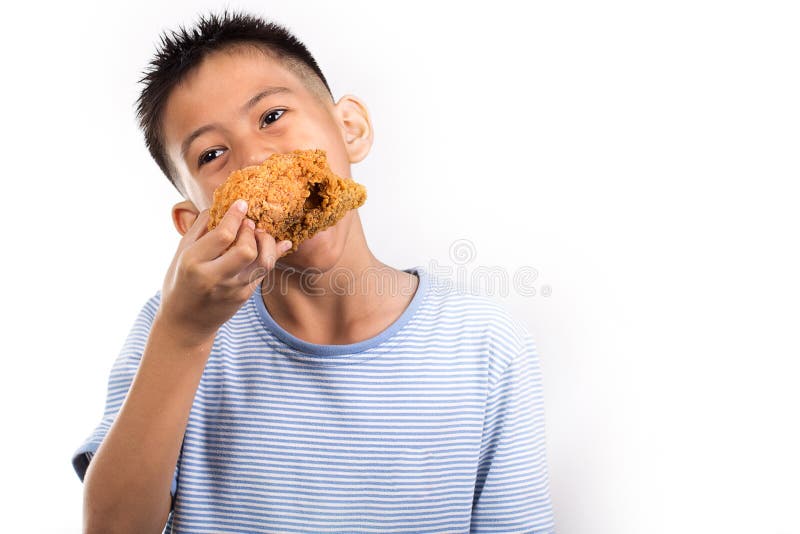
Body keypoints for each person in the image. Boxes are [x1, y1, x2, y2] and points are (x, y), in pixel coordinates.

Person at [71, 10, 555, 533]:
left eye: (272, 116)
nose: (256, 159)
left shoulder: (485, 345)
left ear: (350, 129)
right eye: (213, 154)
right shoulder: (170, 329)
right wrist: (183, 335)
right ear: (194, 224)